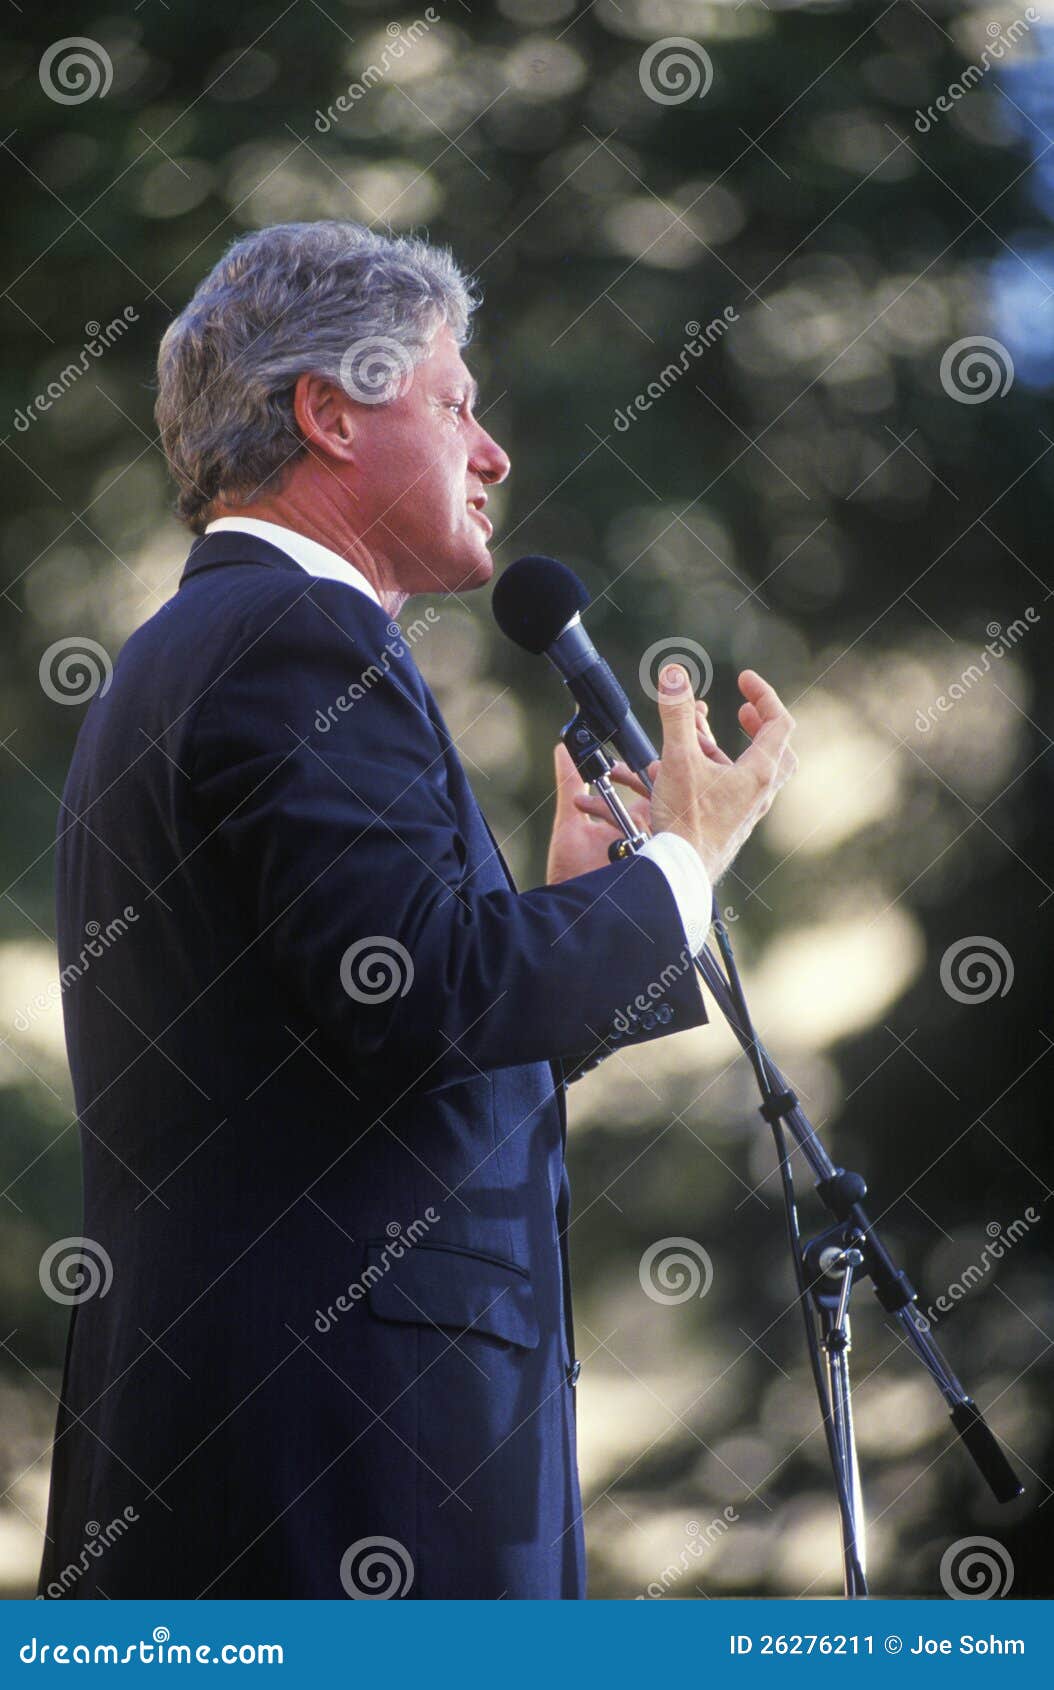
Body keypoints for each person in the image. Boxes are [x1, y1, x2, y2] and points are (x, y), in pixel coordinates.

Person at [38, 221, 796, 1600]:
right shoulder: (298, 637)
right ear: (329, 413)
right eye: (456, 403)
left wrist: (584, 915)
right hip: (342, 1464)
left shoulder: (203, 647)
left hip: (260, 1445)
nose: (493, 451)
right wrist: (676, 867)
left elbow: (362, 1036)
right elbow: (428, 991)